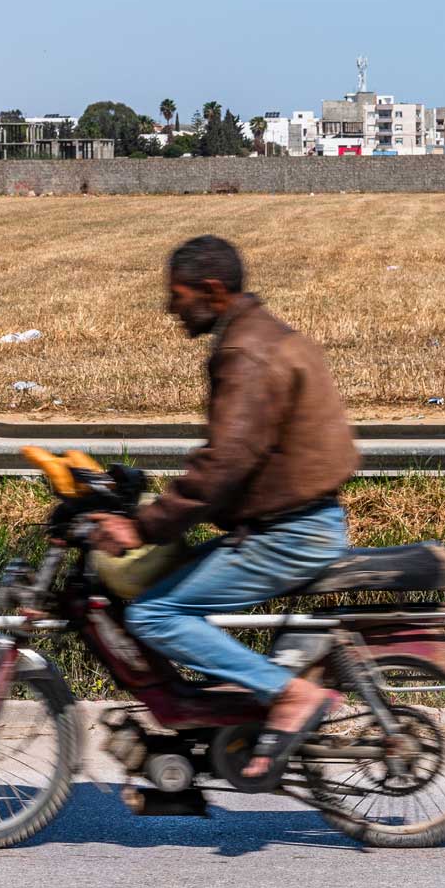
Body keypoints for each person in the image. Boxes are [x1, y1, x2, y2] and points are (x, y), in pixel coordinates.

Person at [89, 234, 360, 784]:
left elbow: (225, 463)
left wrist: (139, 527)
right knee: (177, 588)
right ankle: (226, 717)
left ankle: (289, 696)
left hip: (289, 533)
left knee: (153, 613)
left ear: (211, 290)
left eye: (178, 294)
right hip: (292, 521)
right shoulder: (264, 333)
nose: (170, 306)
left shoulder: (243, 352)